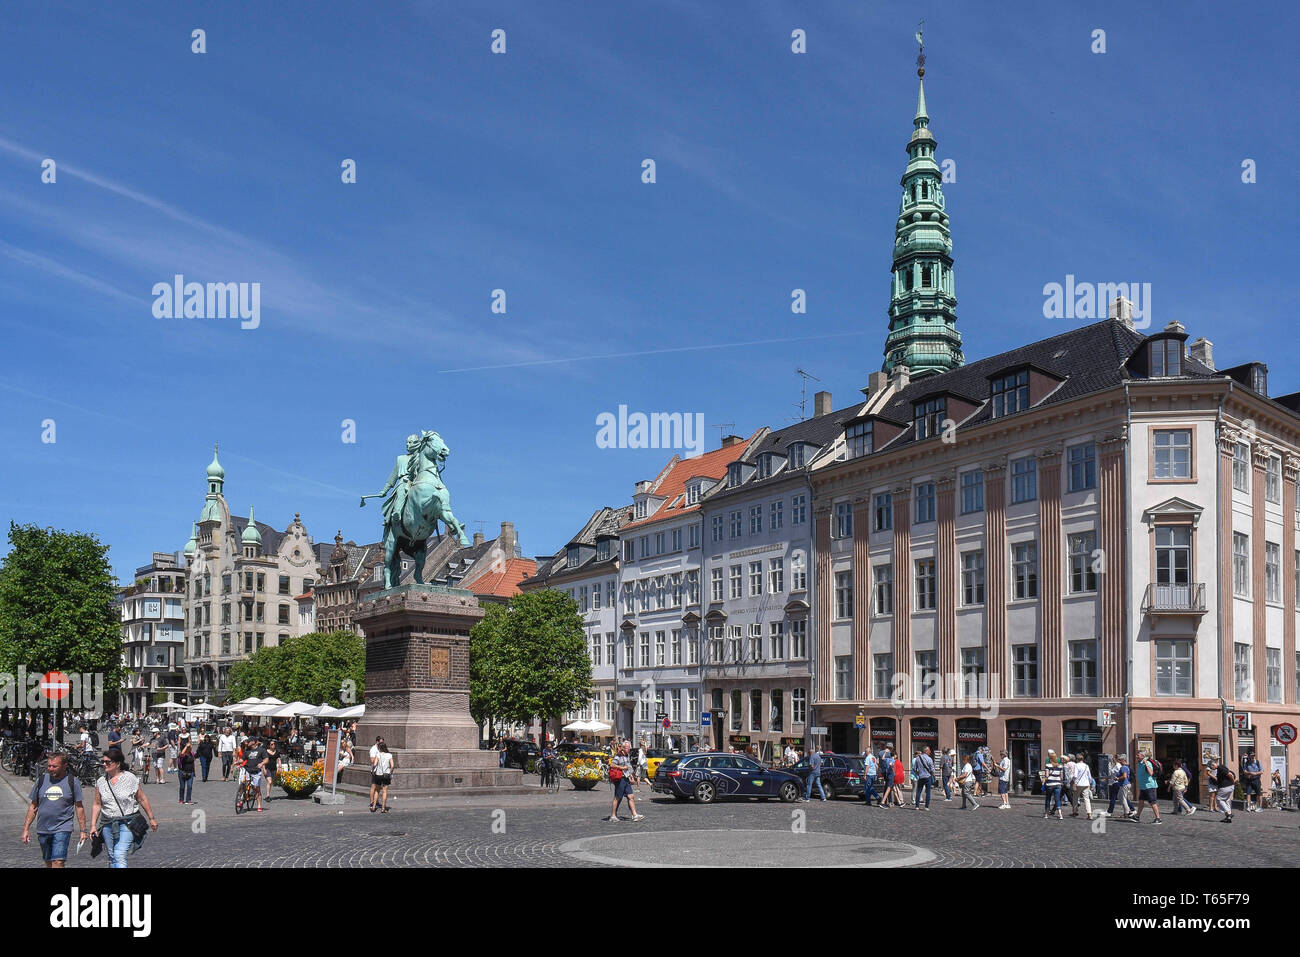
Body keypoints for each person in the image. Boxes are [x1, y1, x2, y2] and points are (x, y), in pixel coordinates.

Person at [89, 747, 157, 869]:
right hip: (107, 823)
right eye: (103, 762)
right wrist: (93, 825)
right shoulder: (101, 781)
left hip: (128, 822)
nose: (104, 764)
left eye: (108, 762)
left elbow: (141, 798)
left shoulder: (129, 778)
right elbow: (97, 804)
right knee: (112, 855)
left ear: (117, 764)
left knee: (119, 854)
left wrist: (151, 818)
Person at [21, 752, 87, 868]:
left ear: (64, 765)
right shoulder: (41, 780)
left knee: (58, 861)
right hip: (43, 828)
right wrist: (26, 829)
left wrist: (83, 830)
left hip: (63, 827)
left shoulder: (72, 781)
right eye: (49, 766)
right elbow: (33, 806)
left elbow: (79, 807)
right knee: (48, 861)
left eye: (54, 766)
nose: (50, 769)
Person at [605, 742, 644, 822]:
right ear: (623, 748)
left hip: (626, 778)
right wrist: (621, 767)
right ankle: (613, 816)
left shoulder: (627, 755)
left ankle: (635, 815)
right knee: (617, 798)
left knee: (631, 796)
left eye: (629, 747)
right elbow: (612, 765)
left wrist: (631, 776)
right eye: (627, 748)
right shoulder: (618, 756)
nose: (629, 749)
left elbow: (628, 766)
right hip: (620, 779)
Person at [1131, 751, 1162, 824]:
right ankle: (1137, 816)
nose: (1136, 756)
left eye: (1138, 755)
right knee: (1141, 801)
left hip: (1149, 786)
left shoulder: (1147, 763)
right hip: (1143, 786)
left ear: (1142, 756)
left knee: (1152, 802)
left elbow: (1151, 773)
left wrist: (1146, 763)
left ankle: (1158, 818)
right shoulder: (1139, 763)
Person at [371, 741, 394, 812]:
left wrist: (373, 770)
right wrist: (390, 772)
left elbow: (374, 764)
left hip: (378, 774)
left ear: (379, 748)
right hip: (386, 775)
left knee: (377, 791)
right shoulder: (389, 755)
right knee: (384, 791)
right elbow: (392, 765)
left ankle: (374, 807)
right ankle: (383, 808)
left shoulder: (378, 754)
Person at [1069, 753, 1093, 819]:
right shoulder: (1086, 766)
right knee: (1086, 799)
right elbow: (1089, 776)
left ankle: (1074, 811)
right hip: (1086, 784)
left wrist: (1072, 781)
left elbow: (1075, 775)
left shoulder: (1076, 765)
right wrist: (1090, 783)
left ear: (1077, 759)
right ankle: (1089, 813)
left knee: (1075, 798)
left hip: (1078, 784)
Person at [1042, 751, 1065, 819]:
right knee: (1057, 799)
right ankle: (1060, 815)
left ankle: (1046, 814)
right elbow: (1061, 777)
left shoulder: (1048, 765)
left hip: (1050, 784)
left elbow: (1046, 775)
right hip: (1058, 784)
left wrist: (1044, 781)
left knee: (1048, 799)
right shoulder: (1060, 766)